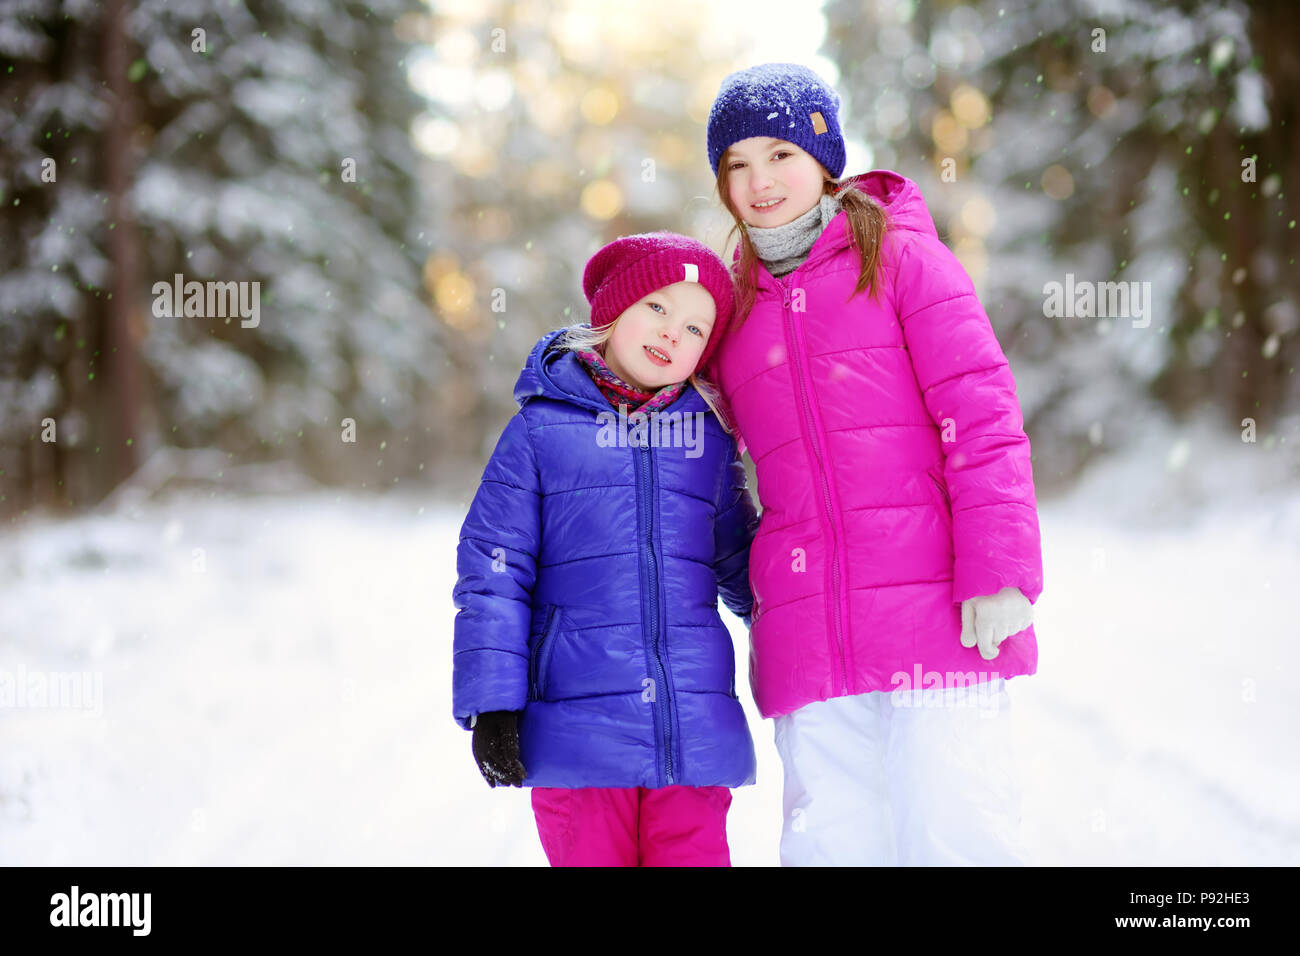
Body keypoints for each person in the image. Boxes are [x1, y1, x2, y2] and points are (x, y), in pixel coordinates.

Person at [702, 63, 1043, 866]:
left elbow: (983, 415)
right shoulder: (730, 310)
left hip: (940, 618)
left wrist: (1000, 570)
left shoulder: (900, 262)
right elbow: (694, 453)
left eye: (779, 155)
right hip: (810, 635)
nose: (759, 182)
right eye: (736, 165)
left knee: (957, 837)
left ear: (824, 156)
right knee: (832, 848)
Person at [451, 232, 760, 866]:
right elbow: (493, 576)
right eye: (657, 307)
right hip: (579, 738)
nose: (674, 332)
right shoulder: (540, 431)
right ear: (614, 311)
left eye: (697, 329)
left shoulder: (708, 441)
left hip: (690, 736)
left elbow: (743, 568)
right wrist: (492, 702)